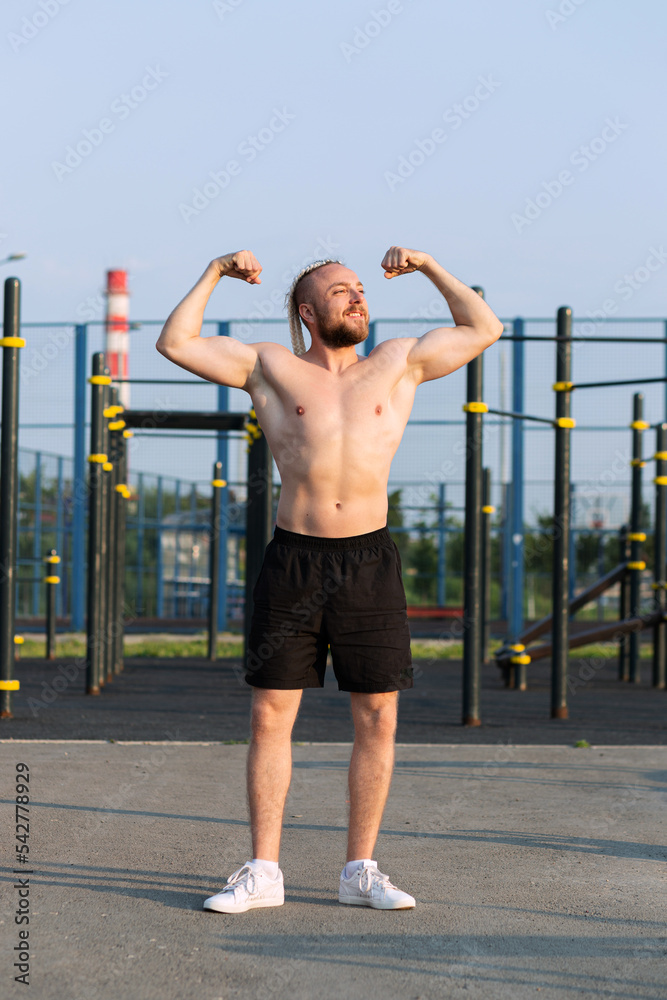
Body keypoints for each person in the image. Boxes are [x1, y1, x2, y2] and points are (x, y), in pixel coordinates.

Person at [156, 246, 503, 913]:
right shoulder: (270, 366)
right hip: (294, 559)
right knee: (270, 714)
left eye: (360, 288)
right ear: (308, 312)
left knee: (377, 714)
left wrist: (430, 266)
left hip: (369, 561)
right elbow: (176, 343)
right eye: (340, 291)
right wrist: (214, 272)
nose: (357, 297)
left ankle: (359, 871)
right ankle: (263, 871)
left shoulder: (398, 361)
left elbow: (483, 327)